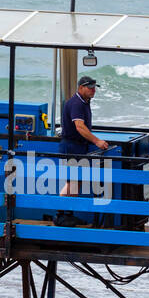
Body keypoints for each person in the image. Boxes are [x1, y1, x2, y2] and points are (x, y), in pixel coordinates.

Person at [55, 75, 109, 228]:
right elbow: (79, 126)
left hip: (77, 146)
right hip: (71, 146)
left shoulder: (84, 102)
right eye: (89, 87)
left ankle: (68, 215)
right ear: (80, 88)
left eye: (94, 87)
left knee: (76, 181)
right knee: (72, 181)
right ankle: (61, 215)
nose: (93, 90)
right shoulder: (77, 103)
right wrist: (96, 141)